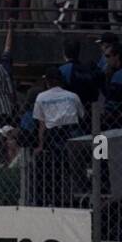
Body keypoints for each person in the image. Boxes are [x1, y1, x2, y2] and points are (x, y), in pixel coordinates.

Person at [32, 67, 85, 206]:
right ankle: (78, 196)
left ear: (47, 81)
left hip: (53, 135)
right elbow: (81, 116)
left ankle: (54, 198)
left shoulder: (41, 97)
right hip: (73, 133)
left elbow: (42, 124)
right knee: (75, 168)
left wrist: (41, 145)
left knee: (55, 169)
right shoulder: (73, 96)